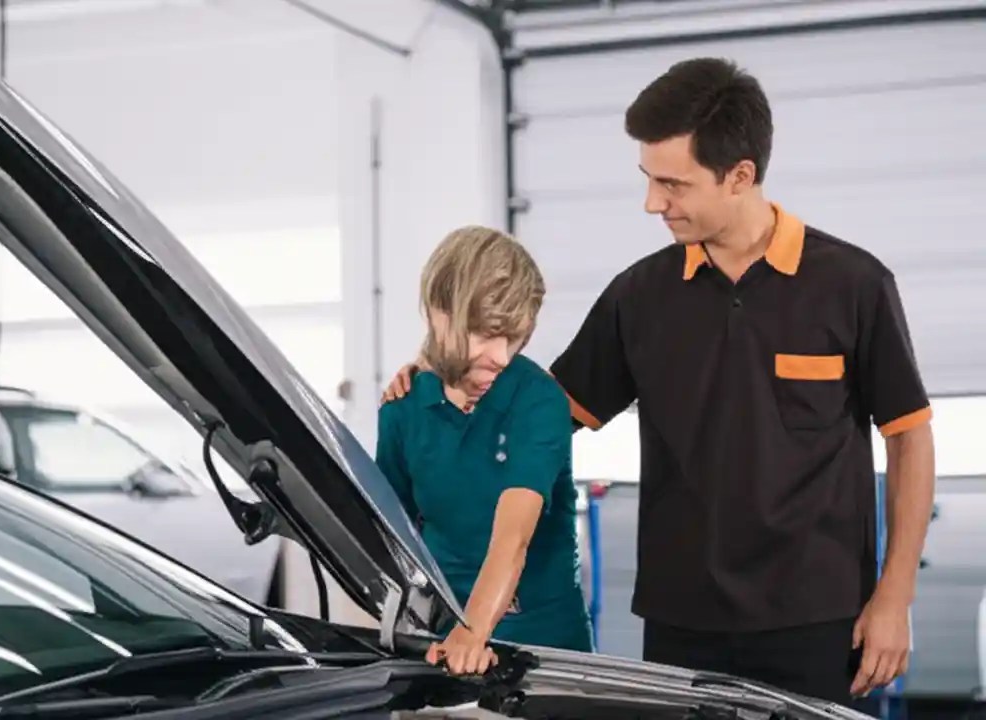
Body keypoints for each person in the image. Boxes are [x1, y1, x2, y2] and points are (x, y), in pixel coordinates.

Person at [381, 57, 935, 705]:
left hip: (816, 621)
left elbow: (910, 441)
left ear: (740, 176)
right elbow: (538, 412)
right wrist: (442, 365)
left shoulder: (852, 286)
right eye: (648, 179)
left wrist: (894, 597)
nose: (653, 203)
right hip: (680, 628)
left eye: (673, 184)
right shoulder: (638, 297)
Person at [376, 225, 593, 677]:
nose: (500, 355)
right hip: (440, 646)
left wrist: (472, 632)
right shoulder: (403, 408)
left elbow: (512, 536)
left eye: (511, 338)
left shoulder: (538, 401)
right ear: (439, 312)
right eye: (485, 333)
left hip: (546, 651)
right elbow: (388, 532)